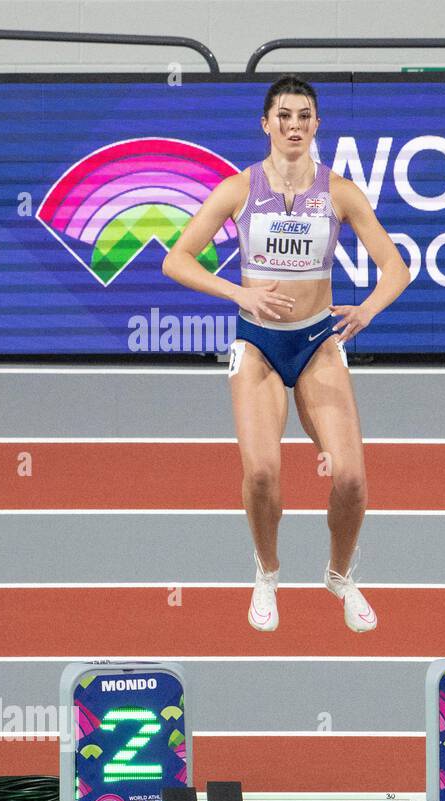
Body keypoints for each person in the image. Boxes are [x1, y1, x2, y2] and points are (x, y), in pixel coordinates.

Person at [162, 75, 410, 633]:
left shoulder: (340, 192)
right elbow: (176, 260)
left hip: (318, 341)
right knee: (262, 474)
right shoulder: (238, 190)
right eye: (284, 116)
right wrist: (239, 292)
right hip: (258, 343)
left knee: (350, 478)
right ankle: (267, 572)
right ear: (266, 124)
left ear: (316, 124)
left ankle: (340, 575)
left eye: (304, 116)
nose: (294, 125)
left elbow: (396, 267)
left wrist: (367, 308)